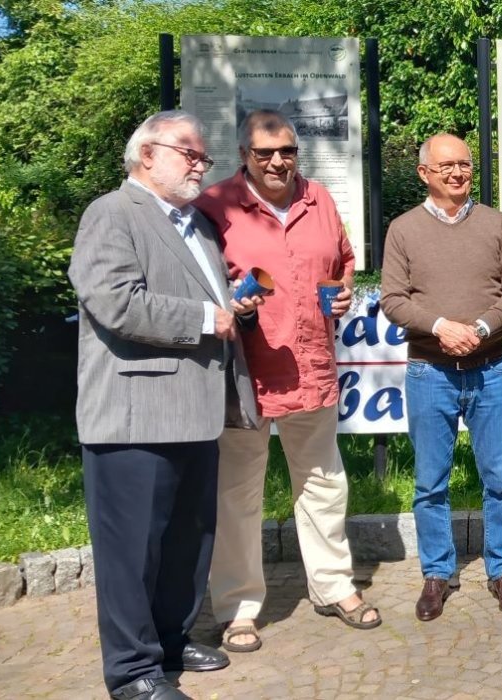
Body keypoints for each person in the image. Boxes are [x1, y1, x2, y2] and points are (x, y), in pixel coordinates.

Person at [69, 110, 263, 700]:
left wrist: (234, 310)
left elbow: (207, 303)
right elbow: (116, 302)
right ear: (146, 154)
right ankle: (132, 672)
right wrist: (209, 317)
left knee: (187, 541)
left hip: (197, 411)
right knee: (131, 552)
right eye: (190, 152)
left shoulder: (198, 226)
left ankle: (171, 643)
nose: (201, 163)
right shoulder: (111, 213)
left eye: (204, 156)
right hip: (134, 414)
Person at [194, 109, 379, 654]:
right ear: (244, 156)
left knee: (323, 482)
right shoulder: (215, 206)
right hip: (244, 373)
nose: (278, 162)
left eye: (287, 151)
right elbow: (193, 282)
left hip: (312, 364)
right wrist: (231, 304)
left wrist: (343, 291)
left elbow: (343, 260)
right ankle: (238, 608)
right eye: (264, 153)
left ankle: (334, 587)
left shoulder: (318, 198)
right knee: (237, 493)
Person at [380, 133, 502, 621]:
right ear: (424, 172)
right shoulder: (403, 230)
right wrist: (441, 326)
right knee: (430, 482)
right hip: (430, 371)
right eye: (446, 165)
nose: (457, 172)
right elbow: (393, 299)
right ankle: (437, 574)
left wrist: (482, 327)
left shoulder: (497, 225)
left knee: (500, 478)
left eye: (464, 164)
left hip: (490, 369)